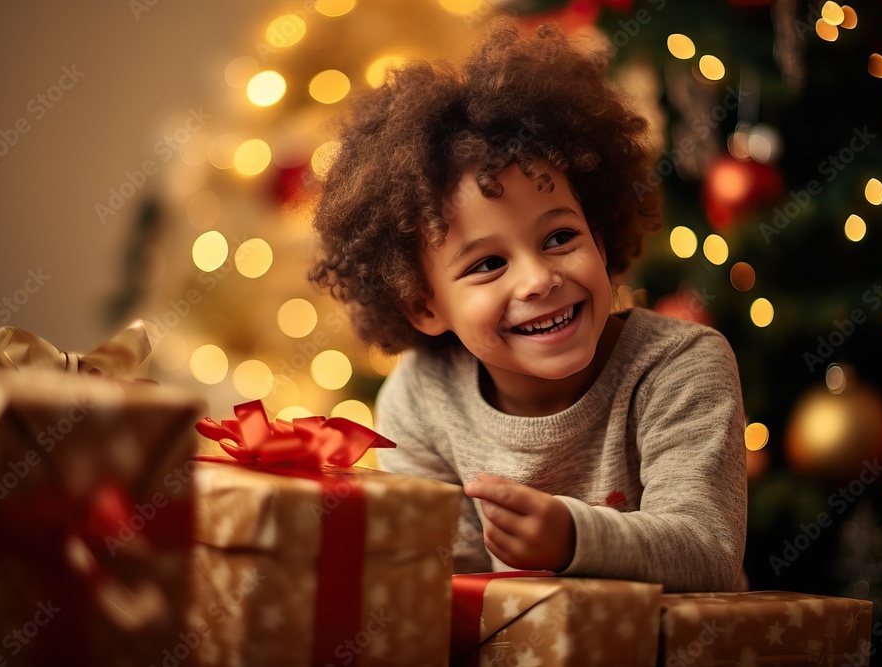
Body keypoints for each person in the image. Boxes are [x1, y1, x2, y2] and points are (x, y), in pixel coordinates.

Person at [308, 19, 746, 592]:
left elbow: (705, 551)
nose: (539, 279)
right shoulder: (420, 399)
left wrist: (573, 539)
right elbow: (446, 592)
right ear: (422, 306)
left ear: (600, 234)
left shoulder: (678, 364)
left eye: (560, 237)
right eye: (488, 265)